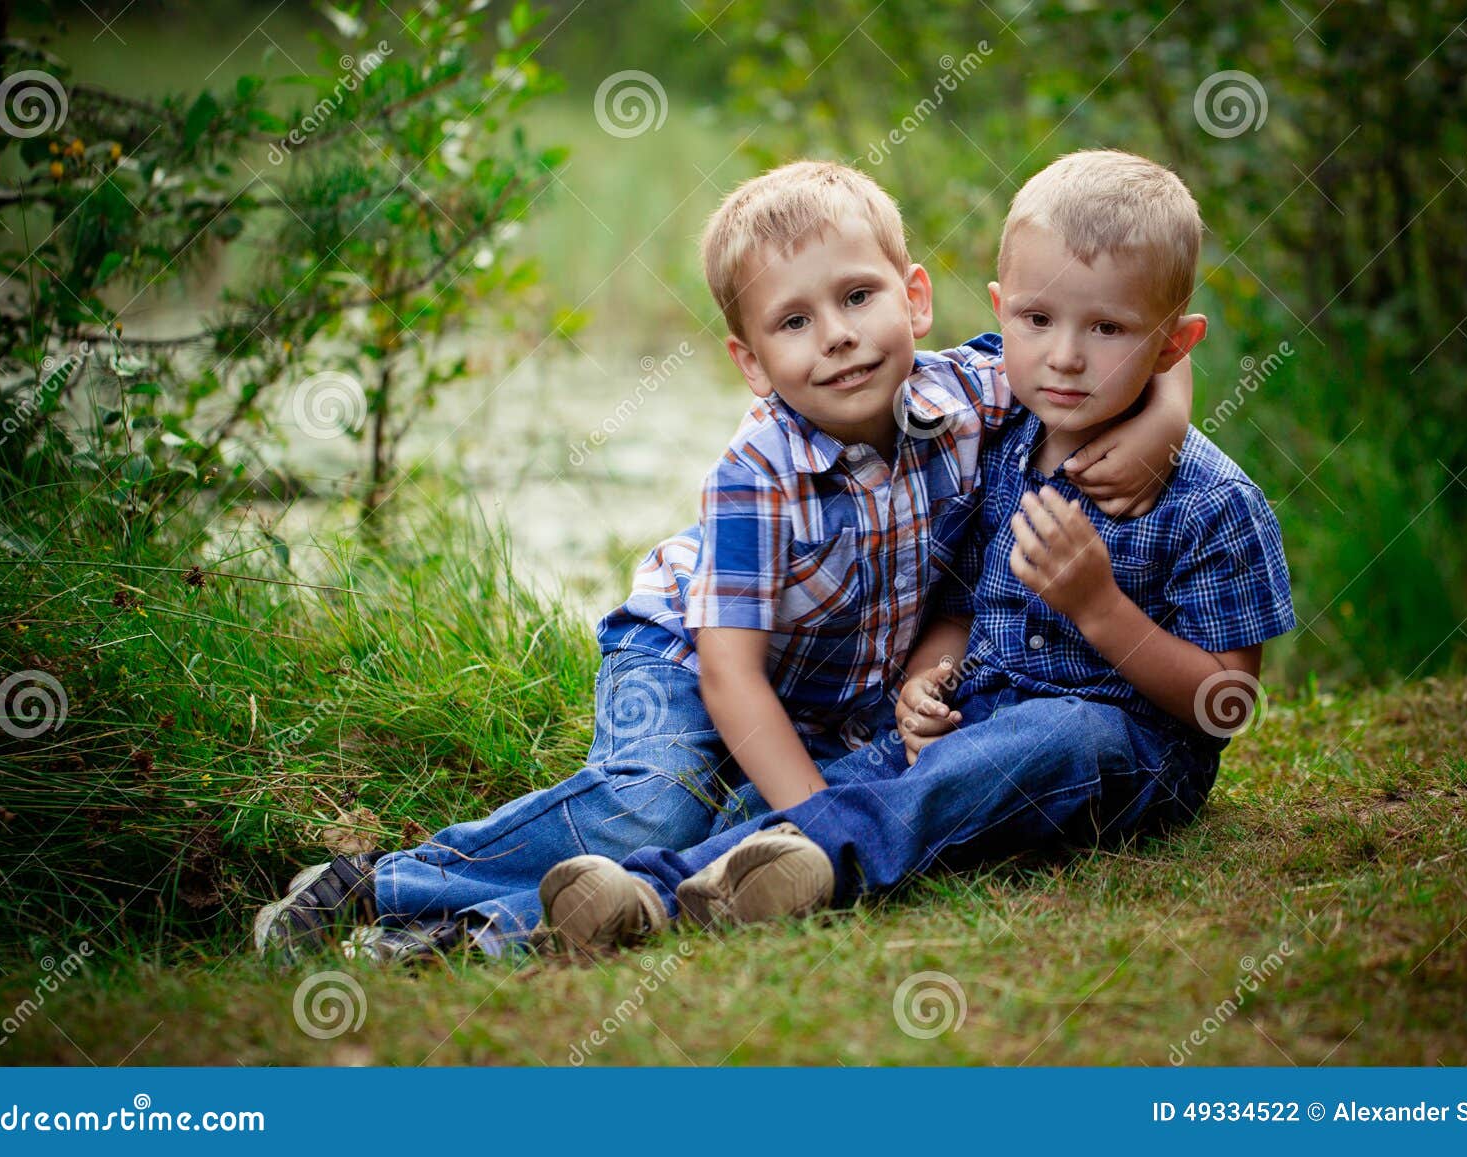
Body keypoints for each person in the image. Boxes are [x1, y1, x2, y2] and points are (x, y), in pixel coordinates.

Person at [253, 159, 1192, 965]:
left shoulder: (970, 394)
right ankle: (379, 885)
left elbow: (1133, 339)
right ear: (751, 361)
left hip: (832, 694)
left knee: (737, 820)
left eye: (857, 297)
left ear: (914, 297)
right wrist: (818, 819)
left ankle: (479, 934)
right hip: (685, 658)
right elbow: (730, 677)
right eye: (794, 321)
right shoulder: (757, 473)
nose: (836, 335)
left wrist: (1166, 420)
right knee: (655, 807)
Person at [530, 149, 1295, 954]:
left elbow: (1227, 705)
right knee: (841, 779)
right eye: (1038, 321)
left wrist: (1101, 610)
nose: (1066, 355)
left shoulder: (1211, 502)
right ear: (1003, 312)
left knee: (1051, 737)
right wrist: (930, 675)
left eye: (1106, 329)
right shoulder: (1002, 432)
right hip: (974, 716)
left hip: (1122, 744)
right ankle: (649, 896)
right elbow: (961, 602)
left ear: (1172, 346)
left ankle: (820, 857)